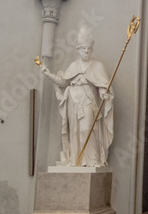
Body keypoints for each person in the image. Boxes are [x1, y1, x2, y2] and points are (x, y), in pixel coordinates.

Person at [39, 25, 114, 167]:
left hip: (87, 101)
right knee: (74, 131)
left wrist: (104, 92)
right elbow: (63, 82)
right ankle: (76, 160)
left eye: (88, 48)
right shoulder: (73, 66)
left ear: (91, 50)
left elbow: (103, 85)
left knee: (86, 129)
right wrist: (47, 73)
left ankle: (92, 160)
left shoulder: (98, 66)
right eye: (83, 48)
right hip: (73, 100)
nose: (86, 51)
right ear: (78, 50)